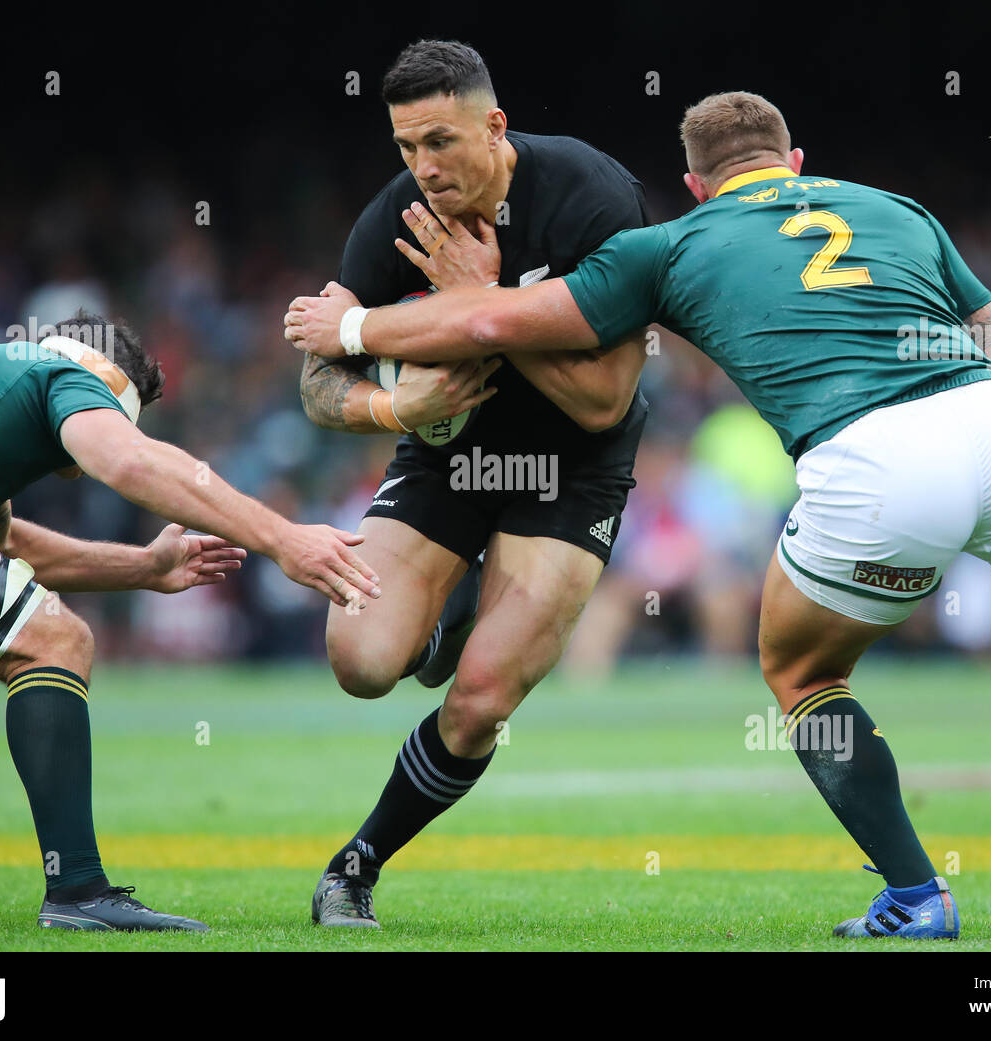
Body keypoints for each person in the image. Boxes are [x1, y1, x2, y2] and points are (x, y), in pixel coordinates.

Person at [289, 90, 991, 940]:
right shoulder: (897, 209)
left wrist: (357, 326)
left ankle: (918, 897)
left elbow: (504, 319)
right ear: (797, 163)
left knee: (807, 677)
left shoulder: (672, 243)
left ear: (697, 185)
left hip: (875, 462)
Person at [0, 311, 378, 931]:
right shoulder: (59, 374)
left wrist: (146, 568)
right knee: (53, 639)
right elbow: (130, 464)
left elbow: (8, 552)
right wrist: (285, 539)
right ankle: (77, 890)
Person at [297, 39, 652, 927]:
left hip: (572, 467)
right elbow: (316, 379)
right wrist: (389, 407)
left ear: (495, 126)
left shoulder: (592, 198)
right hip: (450, 453)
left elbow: (606, 398)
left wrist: (482, 303)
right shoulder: (398, 216)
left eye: (441, 142)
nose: (424, 167)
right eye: (407, 147)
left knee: (482, 698)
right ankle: (446, 609)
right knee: (363, 660)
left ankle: (357, 864)